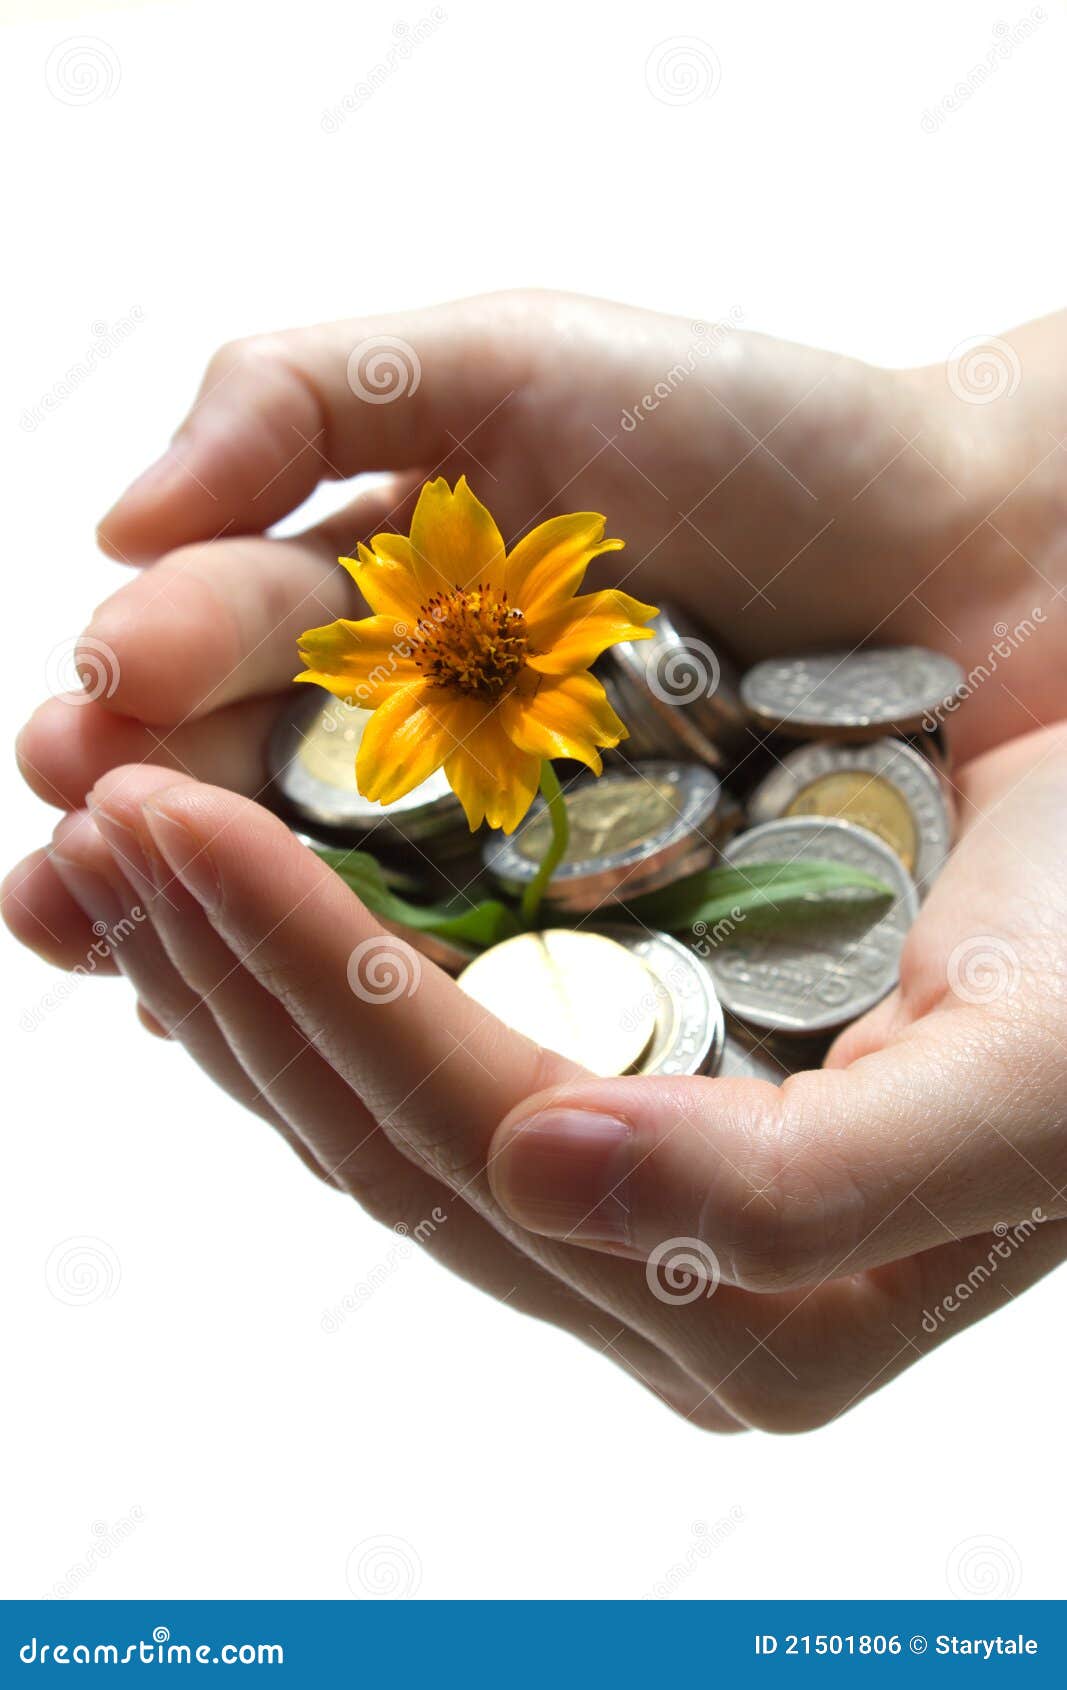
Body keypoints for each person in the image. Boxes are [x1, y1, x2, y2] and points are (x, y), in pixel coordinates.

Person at [5, 290, 1066, 1433]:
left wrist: (987, 484)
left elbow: (565, 619)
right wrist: (986, 474)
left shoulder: (555, 654)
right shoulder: (429, 713)